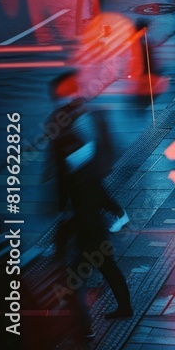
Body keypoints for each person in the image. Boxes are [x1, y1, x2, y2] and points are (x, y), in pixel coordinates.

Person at [48, 72, 133, 328]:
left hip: (86, 220)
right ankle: (122, 308)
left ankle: (83, 328)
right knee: (104, 266)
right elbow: (91, 182)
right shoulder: (80, 128)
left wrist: (64, 206)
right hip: (87, 217)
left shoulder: (70, 135)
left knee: (80, 273)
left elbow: (75, 180)